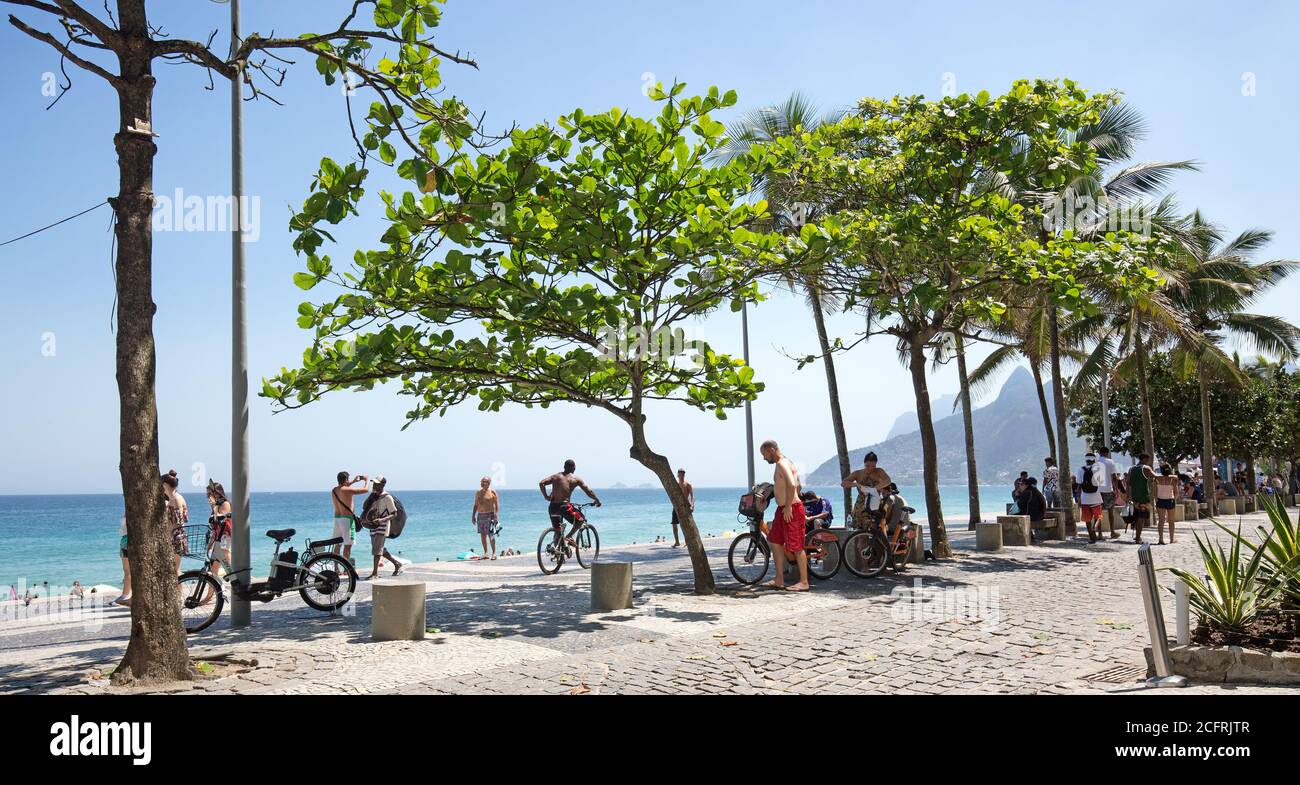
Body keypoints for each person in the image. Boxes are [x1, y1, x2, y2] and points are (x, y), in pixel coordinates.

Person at [759, 439, 808, 592]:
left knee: (797, 546)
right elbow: (798, 485)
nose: (764, 458)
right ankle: (779, 579)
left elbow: (792, 484)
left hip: (790, 509)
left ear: (771, 449)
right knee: (774, 541)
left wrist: (788, 506)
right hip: (783, 510)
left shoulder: (782, 463)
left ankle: (804, 582)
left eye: (764, 454)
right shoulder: (787, 462)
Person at [539, 460, 601, 546]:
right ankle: (569, 536)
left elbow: (541, 483)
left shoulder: (555, 476)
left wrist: (546, 497)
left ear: (564, 467)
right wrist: (597, 500)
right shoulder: (574, 479)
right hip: (564, 507)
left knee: (558, 531)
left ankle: (559, 556)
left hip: (552, 507)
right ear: (574, 468)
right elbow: (588, 491)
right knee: (580, 520)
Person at [361, 476, 402, 579]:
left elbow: (394, 514)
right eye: (374, 483)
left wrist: (382, 520)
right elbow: (364, 506)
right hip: (373, 524)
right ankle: (396, 564)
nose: (374, 485)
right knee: (379, 549)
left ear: (382, 485)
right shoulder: (374, 496)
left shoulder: (387, 497)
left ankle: (375, 573)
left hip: (383, 524)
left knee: (377, 549)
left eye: (377, 484)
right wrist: (371, 495)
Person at [841, 452, 891, 528]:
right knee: (859, 530)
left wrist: (874, 489)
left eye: (873, 466)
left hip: (875, 502)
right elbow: (844, 483)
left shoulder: (879, 471)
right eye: (867, 466)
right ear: (864, 463)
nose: (870, 468)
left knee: (876, 528)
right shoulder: (858, 473)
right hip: (861, 504)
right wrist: (856, 484)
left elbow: (888, 480)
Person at [331, 471, 370, 563]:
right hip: (347, 520)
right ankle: (346, 569)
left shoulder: (334, 490)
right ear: (346, 480)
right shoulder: (348, 490)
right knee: (347, 546)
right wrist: (367, 480)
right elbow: (366, 489)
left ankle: (336, 569)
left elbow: (343, 487)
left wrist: (353, 481)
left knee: (337, 545)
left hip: (337, 519)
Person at [162, 470, 189, 574]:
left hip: (176, 537)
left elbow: (177, 522)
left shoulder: (175, 499)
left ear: (165, 485)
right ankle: (178, 590)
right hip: (176, 536)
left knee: (175, 570)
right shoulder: (175, 498)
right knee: (174, 570)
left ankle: (179, 591)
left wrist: (168, 536)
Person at [205, 480, 233, 580]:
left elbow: (220, 519)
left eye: (210, 493)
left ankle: (234, 579)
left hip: (224, 536)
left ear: (217, 493)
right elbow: (214, 526)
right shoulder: (216, 505)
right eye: (207, 493)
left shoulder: (225, 504)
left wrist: (213, 505)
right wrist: (210, 543)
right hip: (218, 537)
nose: (208, 496)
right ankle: (210, 594)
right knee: (213, 569)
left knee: (227, 560)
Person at [1127, 454, 1157, 544]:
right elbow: (1156, 476)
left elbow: (1128, 483)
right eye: (1148, 460)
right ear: (1145, 459)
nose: (1148, 462)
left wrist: (1128, 496)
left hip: (1134, 496)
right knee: (1141, 518)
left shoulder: (1131, 469)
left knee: (1136, 517)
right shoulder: (1146, 468)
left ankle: (1137, 536)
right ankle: (1137, 538)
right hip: (1143, 496)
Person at [470, 476, 500, 560]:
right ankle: (486, 553)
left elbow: (496, 505)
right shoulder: (478, 492)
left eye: (485, 481)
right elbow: (475, 505)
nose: (483, 483)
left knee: (491, 535)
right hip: (480, 516)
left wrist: (496, 516)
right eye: (482, 481)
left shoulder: (492, 492)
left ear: (489, 483)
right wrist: (473, 515)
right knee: (483, 535)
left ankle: (494, 553)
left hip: (490, 516)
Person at [1077, 453, 1105, 543]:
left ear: (1086, 460)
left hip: (1085, 499)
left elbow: (1079, 486)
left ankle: (1092, 536)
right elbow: (1101, 484)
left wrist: (1078, 499)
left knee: (1087, 519)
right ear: (1094, 459)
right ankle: (1096, 531)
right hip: (1096, 498)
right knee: (1099, 517)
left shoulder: (1081, 469)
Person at [1097, 447, 1121, 540]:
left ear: (1099, 452)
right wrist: (1116, 489)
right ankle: (1112, 532)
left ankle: (1099, 533)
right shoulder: (1110, 462)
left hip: (1098, 491)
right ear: (1107, 453)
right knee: (1110, 512)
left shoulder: (1095, 462)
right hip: (1108, 490)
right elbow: (1114, 477)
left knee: (1098, 513)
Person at [1153, 464, 1180, 545]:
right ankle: (1172, 539)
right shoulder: (1173, 479)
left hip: (1160, 500)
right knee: (1171, 521)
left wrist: (1156, 500)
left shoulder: (1157, 479)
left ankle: (1161, 539)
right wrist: (1174, 499)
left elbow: (1154, 493)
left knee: (1161, 521)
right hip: (1170, 500)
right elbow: (1176, 493)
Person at [669, 468, 694, 547]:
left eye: (682, 474)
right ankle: (677, 542)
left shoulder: (687, 484)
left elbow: (692, 497)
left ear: (684, 475)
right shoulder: (675, 485)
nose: (681, 476)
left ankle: (687, 542)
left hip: (685, 506)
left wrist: (692, 506)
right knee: (674, 524)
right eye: (680, 474)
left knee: (686, 524)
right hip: (676, 506)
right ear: (677, 475)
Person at [115, 513, 132, 607]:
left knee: (127, 571)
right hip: (125, 539)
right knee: (127, 571)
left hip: (127, 540)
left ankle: (125, 595)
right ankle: (125, 594)